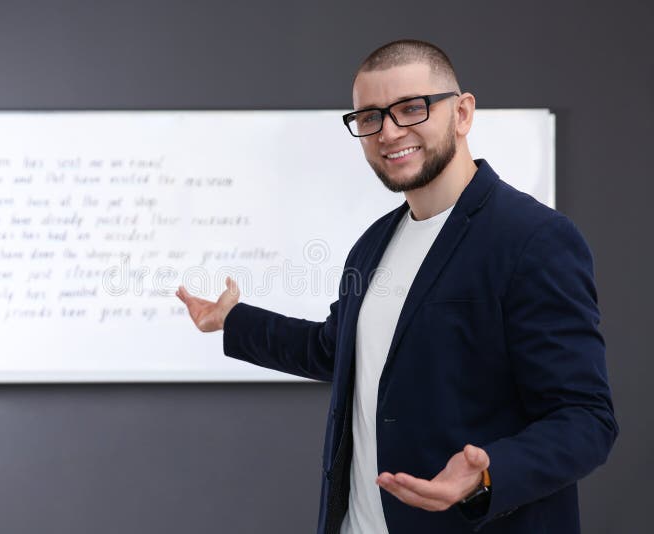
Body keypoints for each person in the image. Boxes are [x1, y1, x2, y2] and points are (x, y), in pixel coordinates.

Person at [175, 39, 617, 534]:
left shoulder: (533, 239)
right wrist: (232, 321)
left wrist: (487, 474)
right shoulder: (373, 244)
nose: (388, 131)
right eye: (369, 117)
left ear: (463, 113)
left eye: (411, 109)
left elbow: (585, 419)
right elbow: (338, 349)